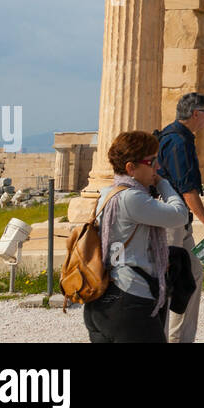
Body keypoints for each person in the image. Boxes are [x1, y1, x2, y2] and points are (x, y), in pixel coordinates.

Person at [83, 130, 189, 344]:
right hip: (129, 300)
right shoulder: (132, 198)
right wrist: (163, 183)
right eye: (151, 161)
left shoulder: (108, 193)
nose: (157, 167)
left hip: (101, 301)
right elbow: (179, 215)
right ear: (131, 167)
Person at [157, 91, 204, 343]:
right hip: (171, 222)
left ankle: (181, 339)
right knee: (169, 281)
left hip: (181, 223)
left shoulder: (179, 137)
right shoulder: (179, 141)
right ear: (196, 114)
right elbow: (187, 190)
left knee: (194, 274)